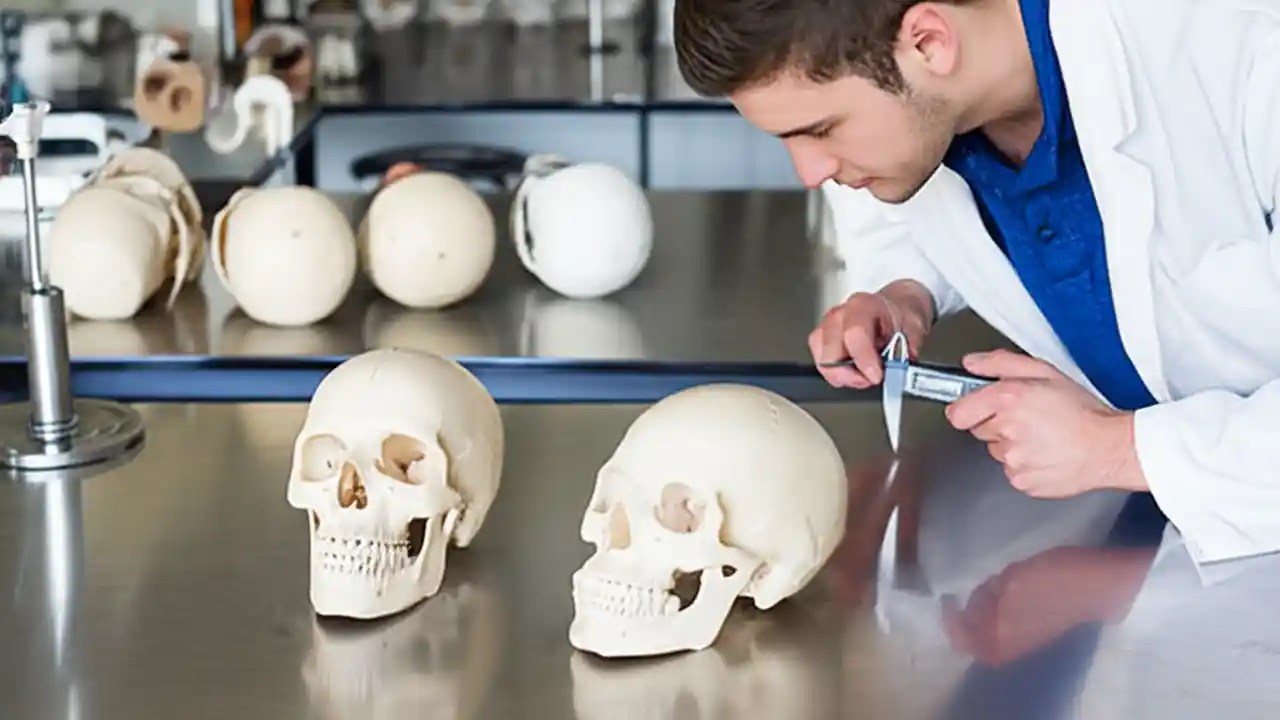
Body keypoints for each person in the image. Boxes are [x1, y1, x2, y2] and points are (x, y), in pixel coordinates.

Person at [673, 0, 1280, 564]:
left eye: (822, 130)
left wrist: (1119, 449)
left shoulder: (1243, 49)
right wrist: (905, 291)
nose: (810, 173)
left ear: (931, 41)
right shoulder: (919, 104)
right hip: (1161, 559)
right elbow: (899, 215)